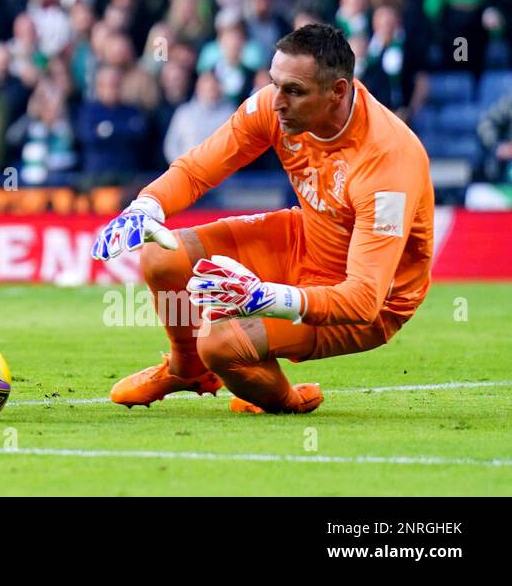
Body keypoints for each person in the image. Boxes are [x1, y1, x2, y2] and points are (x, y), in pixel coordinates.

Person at [92, 24, 434, 415]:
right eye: (275, 84)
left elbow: (362, 299)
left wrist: (268, 299)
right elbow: (198, 170)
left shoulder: (387, 162)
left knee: (219, 344)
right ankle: (187, 369)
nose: (277, 101)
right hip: (306, 237)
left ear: (338, 91)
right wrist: (147, 206)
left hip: (369, 299)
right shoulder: (274, 106)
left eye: (294, 91)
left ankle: (290, 399)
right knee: (160, 254)